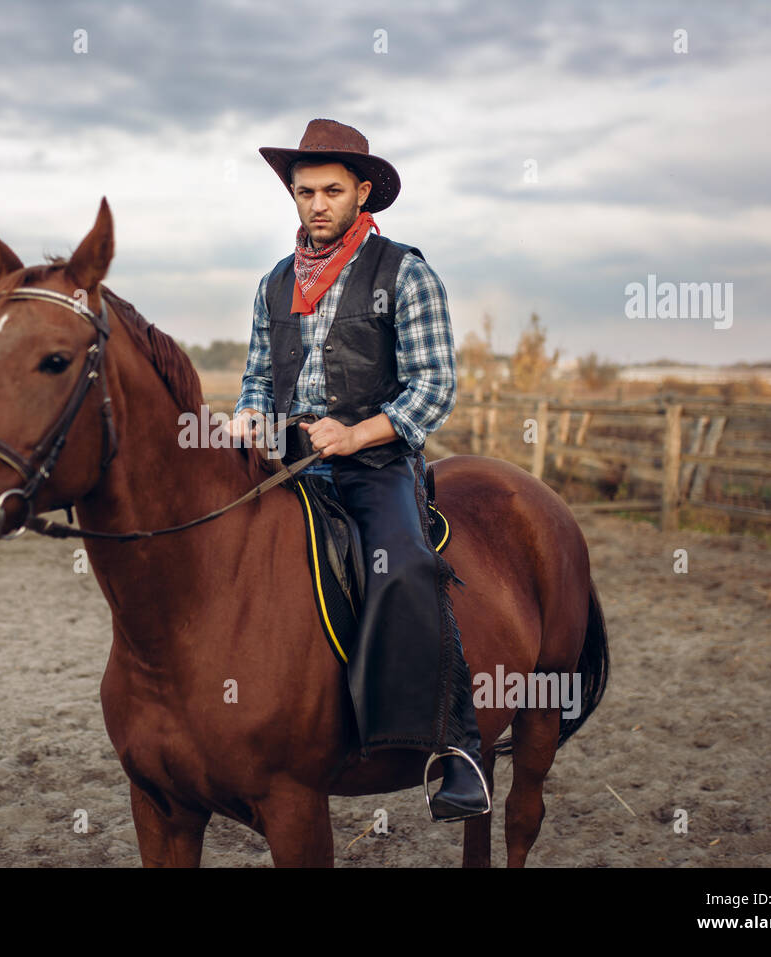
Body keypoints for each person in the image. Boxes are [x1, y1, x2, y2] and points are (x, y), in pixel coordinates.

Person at [228, 118, 489, 822]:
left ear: (361, 192)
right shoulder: (275, 282)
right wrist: (247, 418)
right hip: (290, 458)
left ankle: (453, 746)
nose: (316, 203)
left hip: (373, 461)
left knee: (402, 563)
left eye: (332, 190)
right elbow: (257, 377)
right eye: (304, 190)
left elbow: (434, 385)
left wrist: (357, 433)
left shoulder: (403, 271)